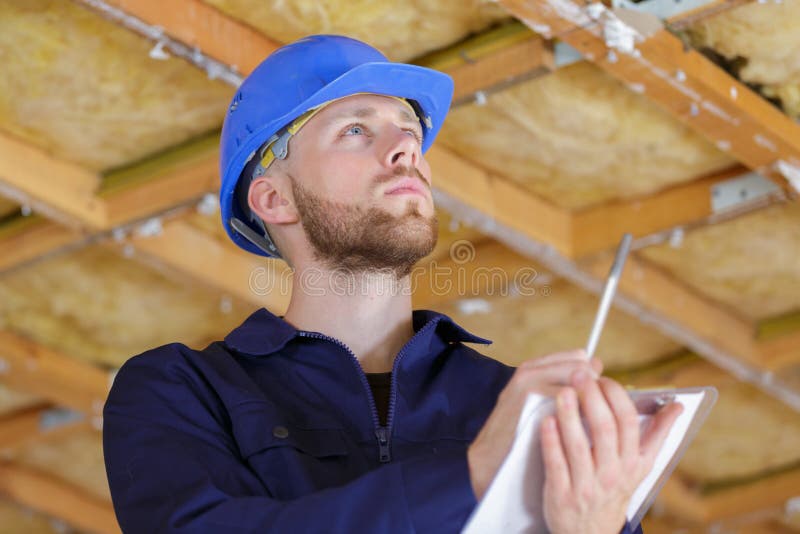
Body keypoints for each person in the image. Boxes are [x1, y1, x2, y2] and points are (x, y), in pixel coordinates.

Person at [103, 35, 682, 533]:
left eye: (409, 130)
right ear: (274, 199)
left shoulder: (512, 407)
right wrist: (474, 475)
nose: (406, 147)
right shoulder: (185, 392)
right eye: (356, 129)